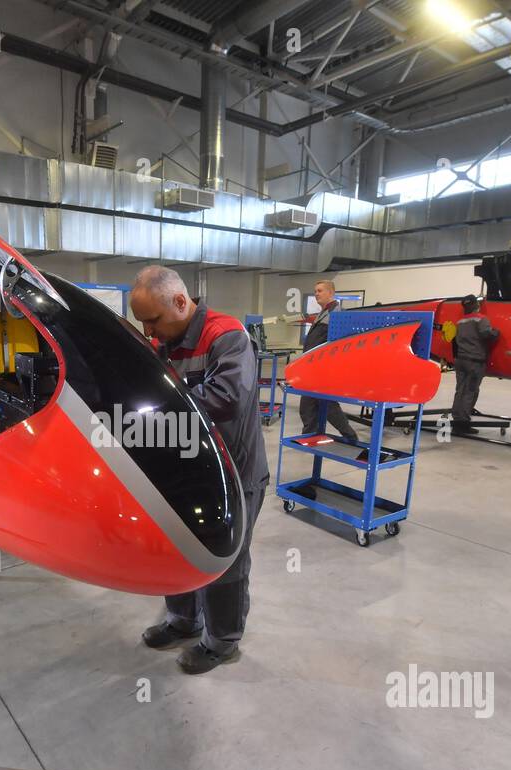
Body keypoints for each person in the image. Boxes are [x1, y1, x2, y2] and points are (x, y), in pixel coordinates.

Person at [131, 266, 270, 674]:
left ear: (179, 301)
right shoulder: (163, 343)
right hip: (186, 471)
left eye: (153, 320)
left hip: (234, 474)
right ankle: (184, 619)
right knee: (179, 549)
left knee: (224, 557)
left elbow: (226, 398)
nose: (149, 331)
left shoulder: (226, 336)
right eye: (143, 322)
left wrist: (157, 408)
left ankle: (222, 640)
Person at [298, 279, 360, 442]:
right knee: (307, 406)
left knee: (328, 407)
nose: (316, 294)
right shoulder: (324, 312)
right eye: (316, 290)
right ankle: (309, 437)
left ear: (331, 293)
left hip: (322, 369)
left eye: (320, 291)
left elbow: (337, 345)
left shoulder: (337, 314)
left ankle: (350, 436)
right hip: (311, 368)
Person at [450, 294, 499, 435]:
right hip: (474, 361)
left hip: (460, 360)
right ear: (475, 305)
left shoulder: (459, 322)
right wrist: (496, 333)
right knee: (470, 391)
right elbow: (486, 334)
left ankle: (457, 418)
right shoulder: (481, 319)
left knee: (460, 390)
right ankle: (463, 424)